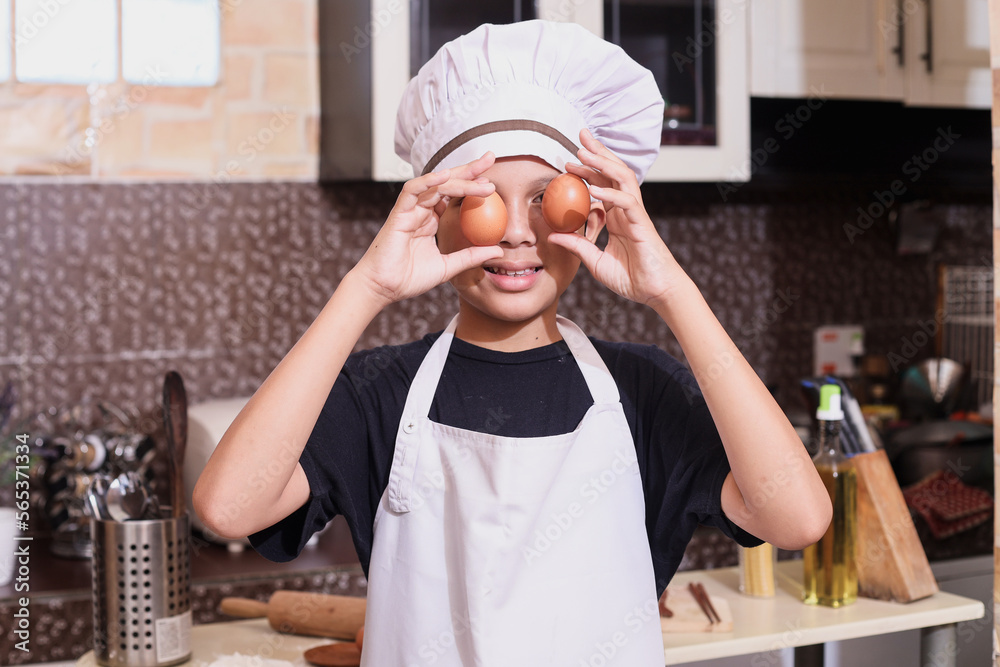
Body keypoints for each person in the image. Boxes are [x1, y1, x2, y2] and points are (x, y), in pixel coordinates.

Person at [193, 19, 831, 666]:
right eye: (482, 201)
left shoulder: (645, 390)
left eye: (547, 200)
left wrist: (672, 291)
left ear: (592, 217)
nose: (517, 235)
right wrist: (367, 286)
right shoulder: (377, 393)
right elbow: (227, 507)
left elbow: (797, 518)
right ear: (435, 216)